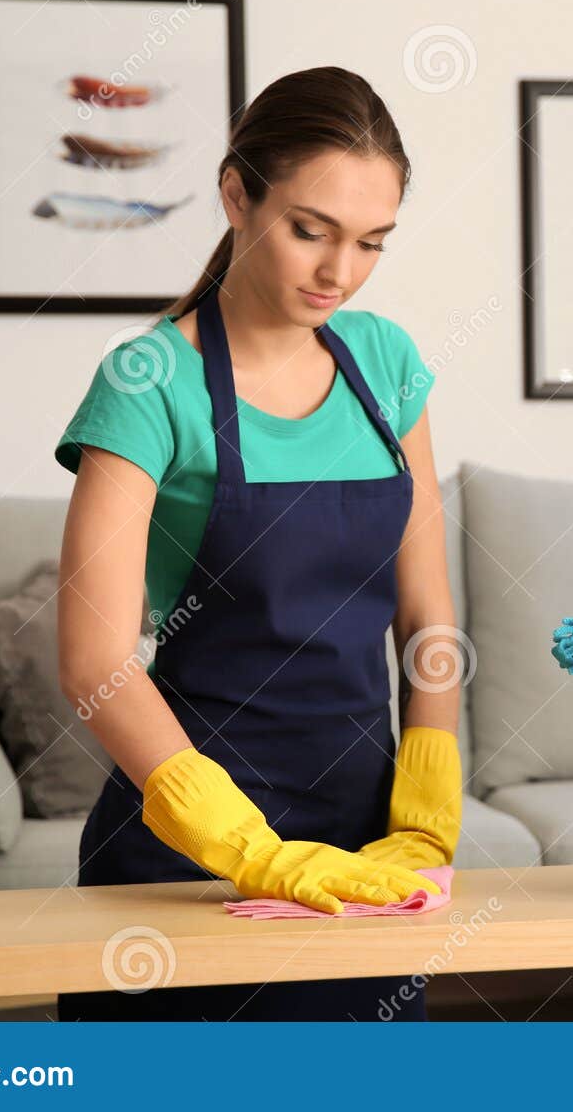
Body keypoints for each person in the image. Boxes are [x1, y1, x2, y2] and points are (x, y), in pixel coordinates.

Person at [52, 66, 463, 1021]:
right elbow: (93, 661)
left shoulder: (388, 365)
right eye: (310, 230)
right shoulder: (151, 377)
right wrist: (244, 846)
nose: (339, 272)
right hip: (184, 854)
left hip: (368, 853)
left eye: (371, 243)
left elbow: (430, 617)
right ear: (237, 195)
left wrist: (426, 817)